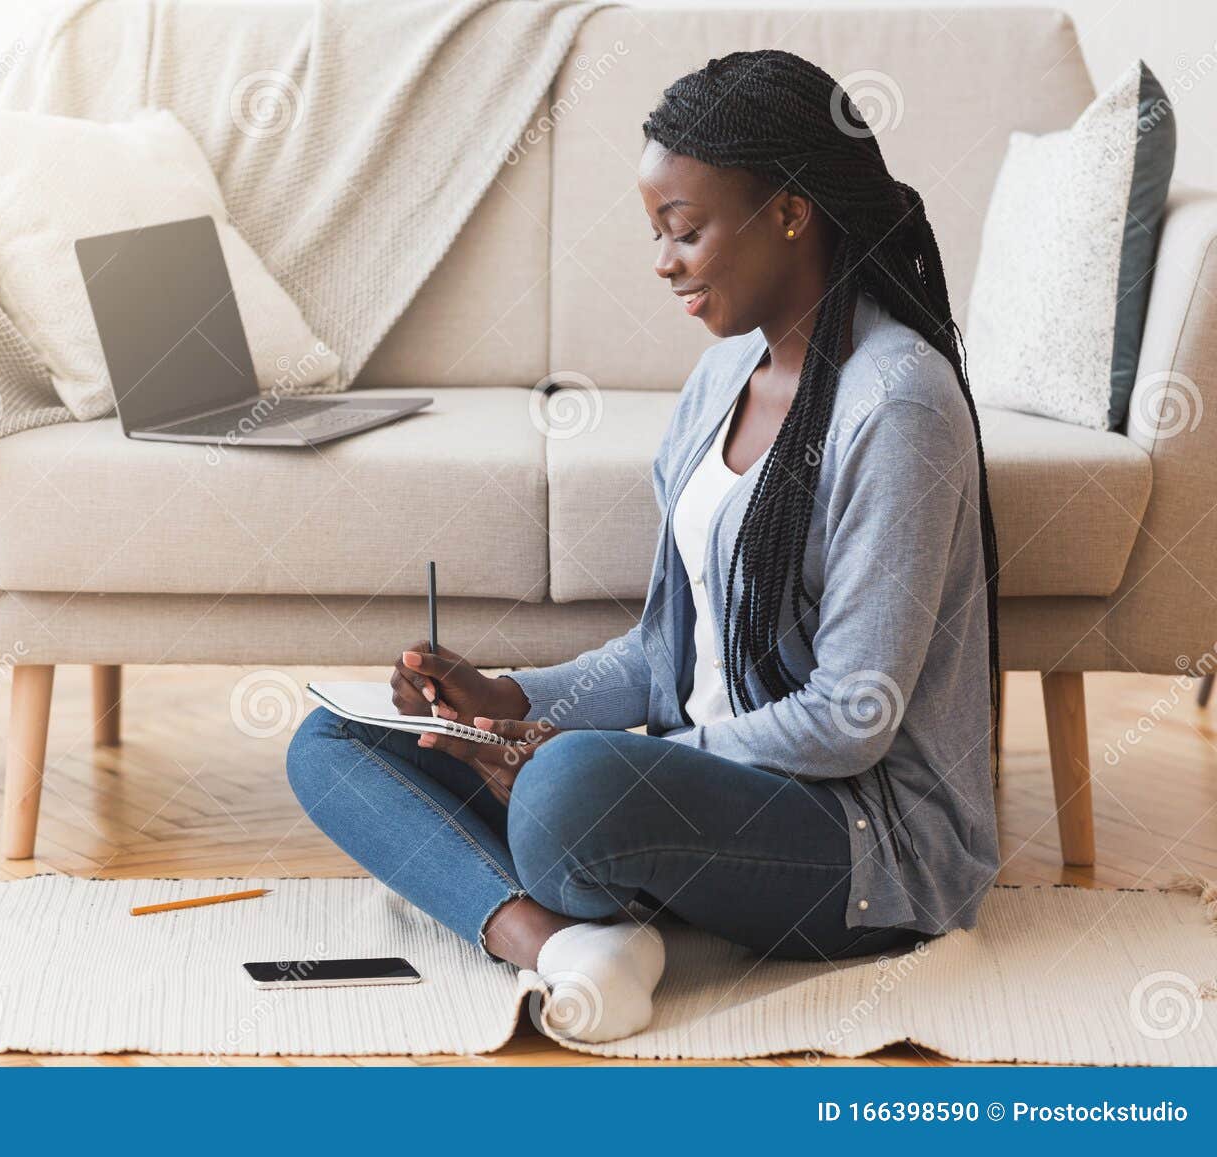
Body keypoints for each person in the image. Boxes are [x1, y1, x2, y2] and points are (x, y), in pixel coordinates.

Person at [287, 48, 1002, 1043]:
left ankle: (574, 864)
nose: (663, 262)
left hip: (859, 840)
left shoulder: (896, 403)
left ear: (791, 213)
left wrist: (620, 758)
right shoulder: (722, 381)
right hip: (695, 787)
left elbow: (852, 718)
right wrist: (510, 700)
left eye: (686, 229)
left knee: (566, 792)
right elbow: (665, 652)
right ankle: (563, 945)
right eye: (657, 233)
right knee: (335, 739)